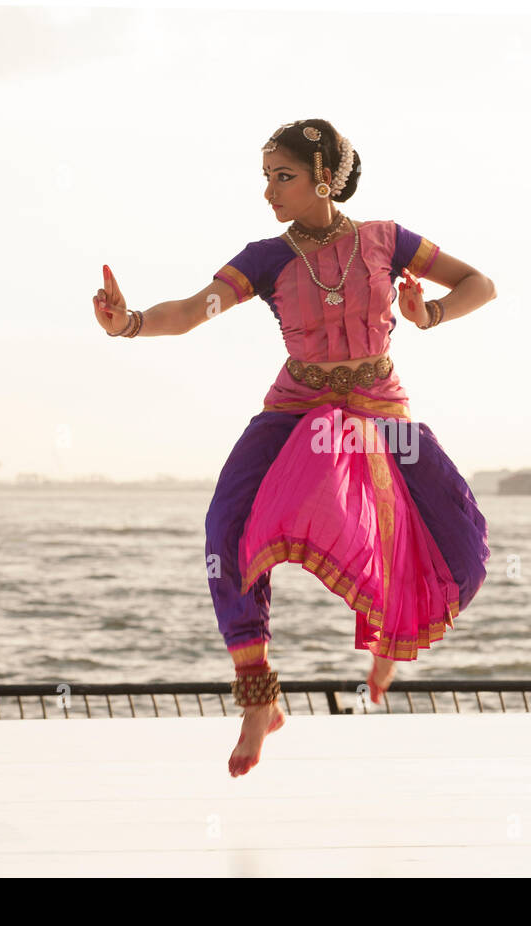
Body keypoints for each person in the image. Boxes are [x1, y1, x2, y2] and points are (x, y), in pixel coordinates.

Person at [93, 118, 494, 777]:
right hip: (297, 406)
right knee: (228, 523)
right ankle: (258, 695)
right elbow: (196, 310)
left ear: (326, 179)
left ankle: (393, 631)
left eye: (284, 177)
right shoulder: (266, 258)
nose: (270, 192)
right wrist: (129, 323)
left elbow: (480, 282)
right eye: (266, 178)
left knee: (460, 539)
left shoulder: (386, 241)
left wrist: (431, 314)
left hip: (379, 408)